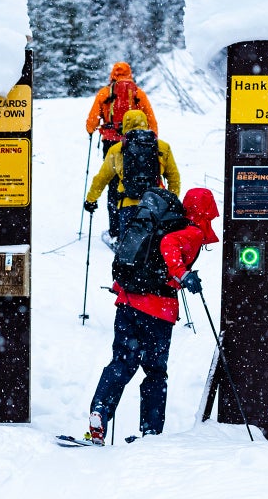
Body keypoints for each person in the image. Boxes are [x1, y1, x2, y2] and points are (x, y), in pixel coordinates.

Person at [86, 187, 220, 444]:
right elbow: (168, 246)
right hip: (157, 311)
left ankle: (100, 412)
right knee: (155, 371)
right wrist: (182, 274)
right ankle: (151, 432)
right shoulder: (190, 231)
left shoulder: (163, 223)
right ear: (206, 210)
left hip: (128, 301)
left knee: (122, 362)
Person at [85, 62, 158, 243]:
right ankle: (138, 227)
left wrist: (90, 129)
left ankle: (116, 230)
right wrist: (153, 142)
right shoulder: (138, 94)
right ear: (130, 74)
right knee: (137, 183)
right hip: (138, 144)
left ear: (112, 75)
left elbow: (92, 121)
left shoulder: (105, 93)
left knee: (113, 184)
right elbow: (151, 119)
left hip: (111, 143)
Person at [83, 109, 179, 244]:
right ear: (145, 123)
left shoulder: (117, 149)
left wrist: (91, 200)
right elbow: (174, 178)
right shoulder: (162, 147)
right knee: (153, 247)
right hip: (154, 205)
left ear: (125, 125)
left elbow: (102, 178)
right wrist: (171, 202)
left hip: (128, 205)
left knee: (128, 249)